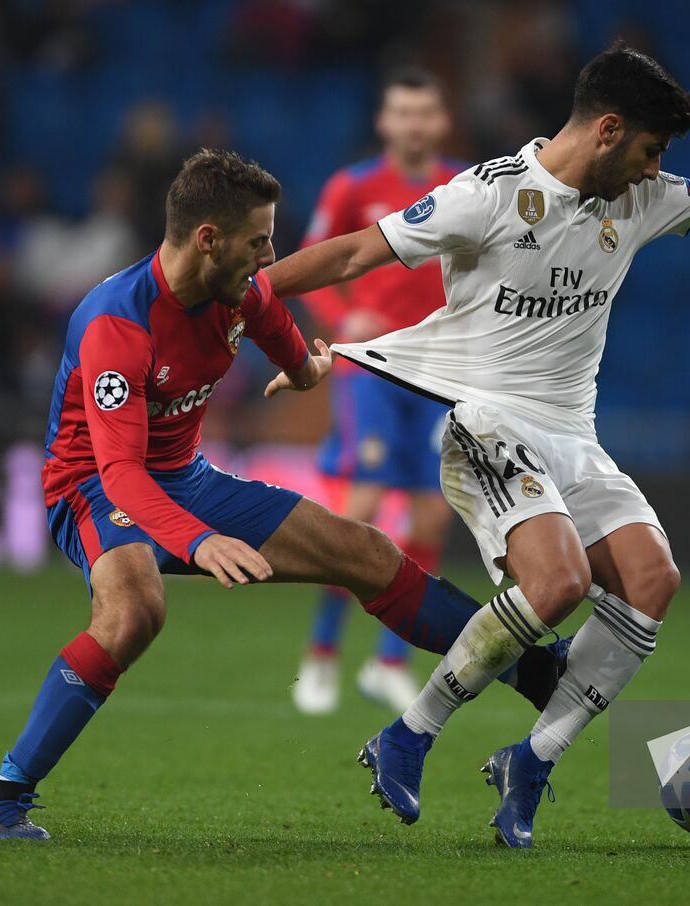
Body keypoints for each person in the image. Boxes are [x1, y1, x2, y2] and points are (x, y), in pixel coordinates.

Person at [265, 41, 690, 848]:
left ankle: (531, 762)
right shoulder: (491, 195)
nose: (656, 171)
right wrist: (250, 296)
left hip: (573, 436)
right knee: (562, 581)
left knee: (653, 579)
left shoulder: (639, 197)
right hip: (485, 424)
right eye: (650, 150)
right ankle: (409, 733)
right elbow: (357, 250)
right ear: (608, 130)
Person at [0, 149, 561, 841]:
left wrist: (308, 372)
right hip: (93, 488)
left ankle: (535, 669)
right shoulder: (116, 324)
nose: (270, 255)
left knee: (364, 551)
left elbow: (295, 358)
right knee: (134, 612)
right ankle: (4, 798)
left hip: (185, 479)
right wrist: (198, 538)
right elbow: (122, 472)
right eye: (258, 241)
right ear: (207, 239)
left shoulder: (243, 294)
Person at [291, 68, 465, 715]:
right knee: (360, 505)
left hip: (438, 370)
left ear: (441, 122)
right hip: (370, 367)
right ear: (384, 121)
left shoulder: (465, 187)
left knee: (430, 518)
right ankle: (321, 654)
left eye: (425, 112)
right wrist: (341, 327)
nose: (414, 123)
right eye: (403, 111)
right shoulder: (352, 187)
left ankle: (387, 661)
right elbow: (312, 266)